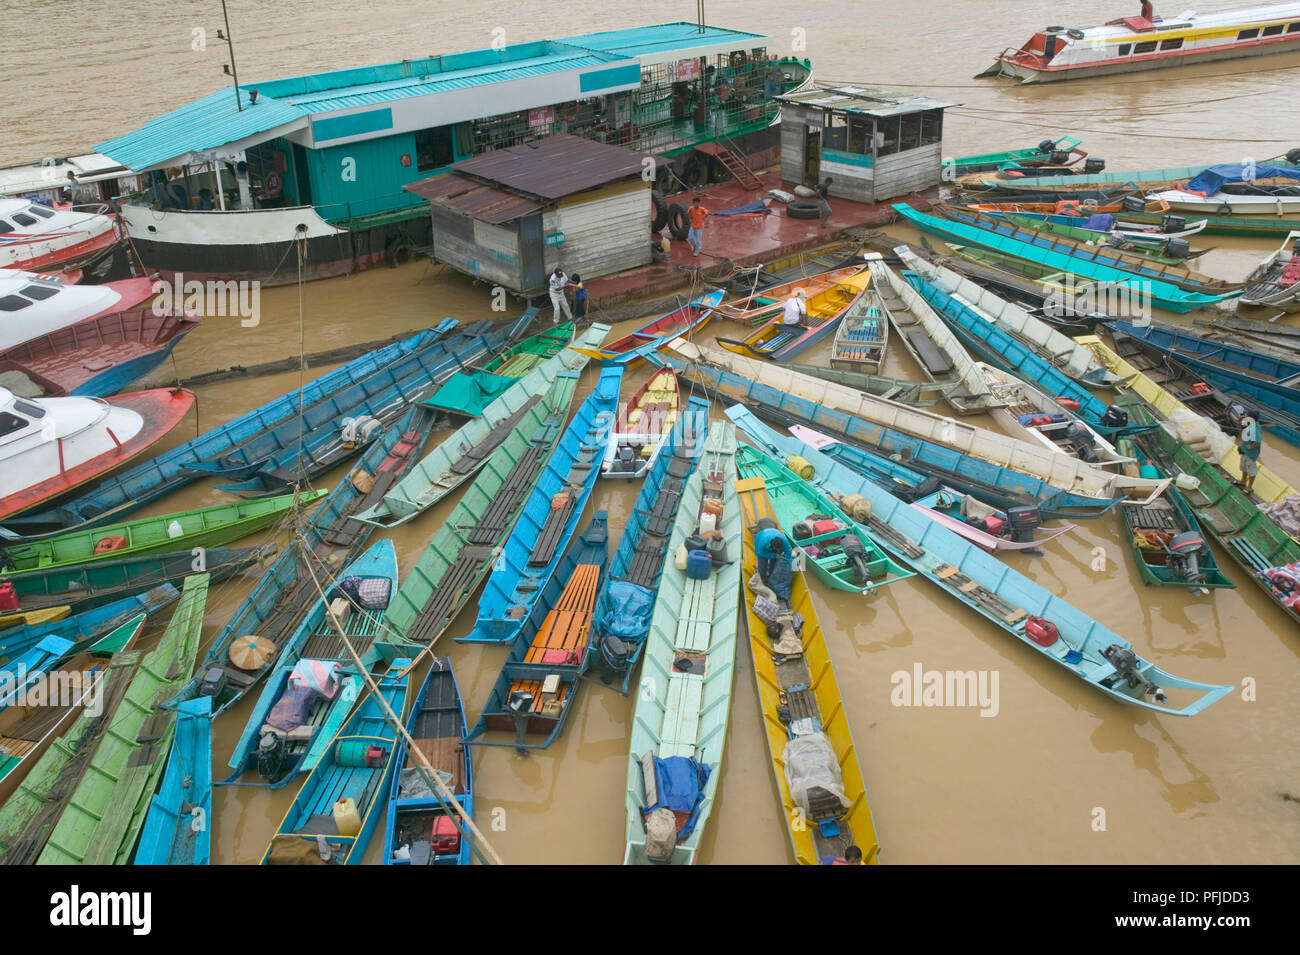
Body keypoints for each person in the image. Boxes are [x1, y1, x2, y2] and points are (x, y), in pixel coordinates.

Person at [1237, 412, 1261, 493]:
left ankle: (1249, 487)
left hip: (1251, 454)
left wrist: (1250, 447)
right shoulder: (1250, 425)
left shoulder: (1255, 429)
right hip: (1245, 451)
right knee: (1244, 467)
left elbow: (1257, 442)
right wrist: (1242, 446)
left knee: (1251, 470)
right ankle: (1243, 481)